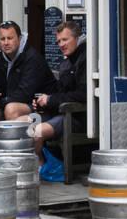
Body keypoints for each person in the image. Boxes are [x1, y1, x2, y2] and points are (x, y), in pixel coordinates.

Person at [0, 20, 53, 138]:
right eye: (2, 39)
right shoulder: (1, 58)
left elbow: (24, 94)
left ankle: (13, 152)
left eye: (10, 38)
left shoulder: (32, 58)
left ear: (20, 39)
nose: (6, 43)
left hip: (39, 107)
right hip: (8, 103)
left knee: (11, 109)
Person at [29, 21, 86, 160]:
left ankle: (36, 170)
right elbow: (60, 93)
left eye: (65, 39)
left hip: (78, 117)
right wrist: (44, 102)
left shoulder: (86, 59)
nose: (61, 45)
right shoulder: (67, 63)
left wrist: (51, 100)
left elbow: (82, 95)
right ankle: (40, 166)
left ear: (77, 38)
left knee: (37, 131)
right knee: (22, 123)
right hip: (61, 113)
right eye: (59, 41)